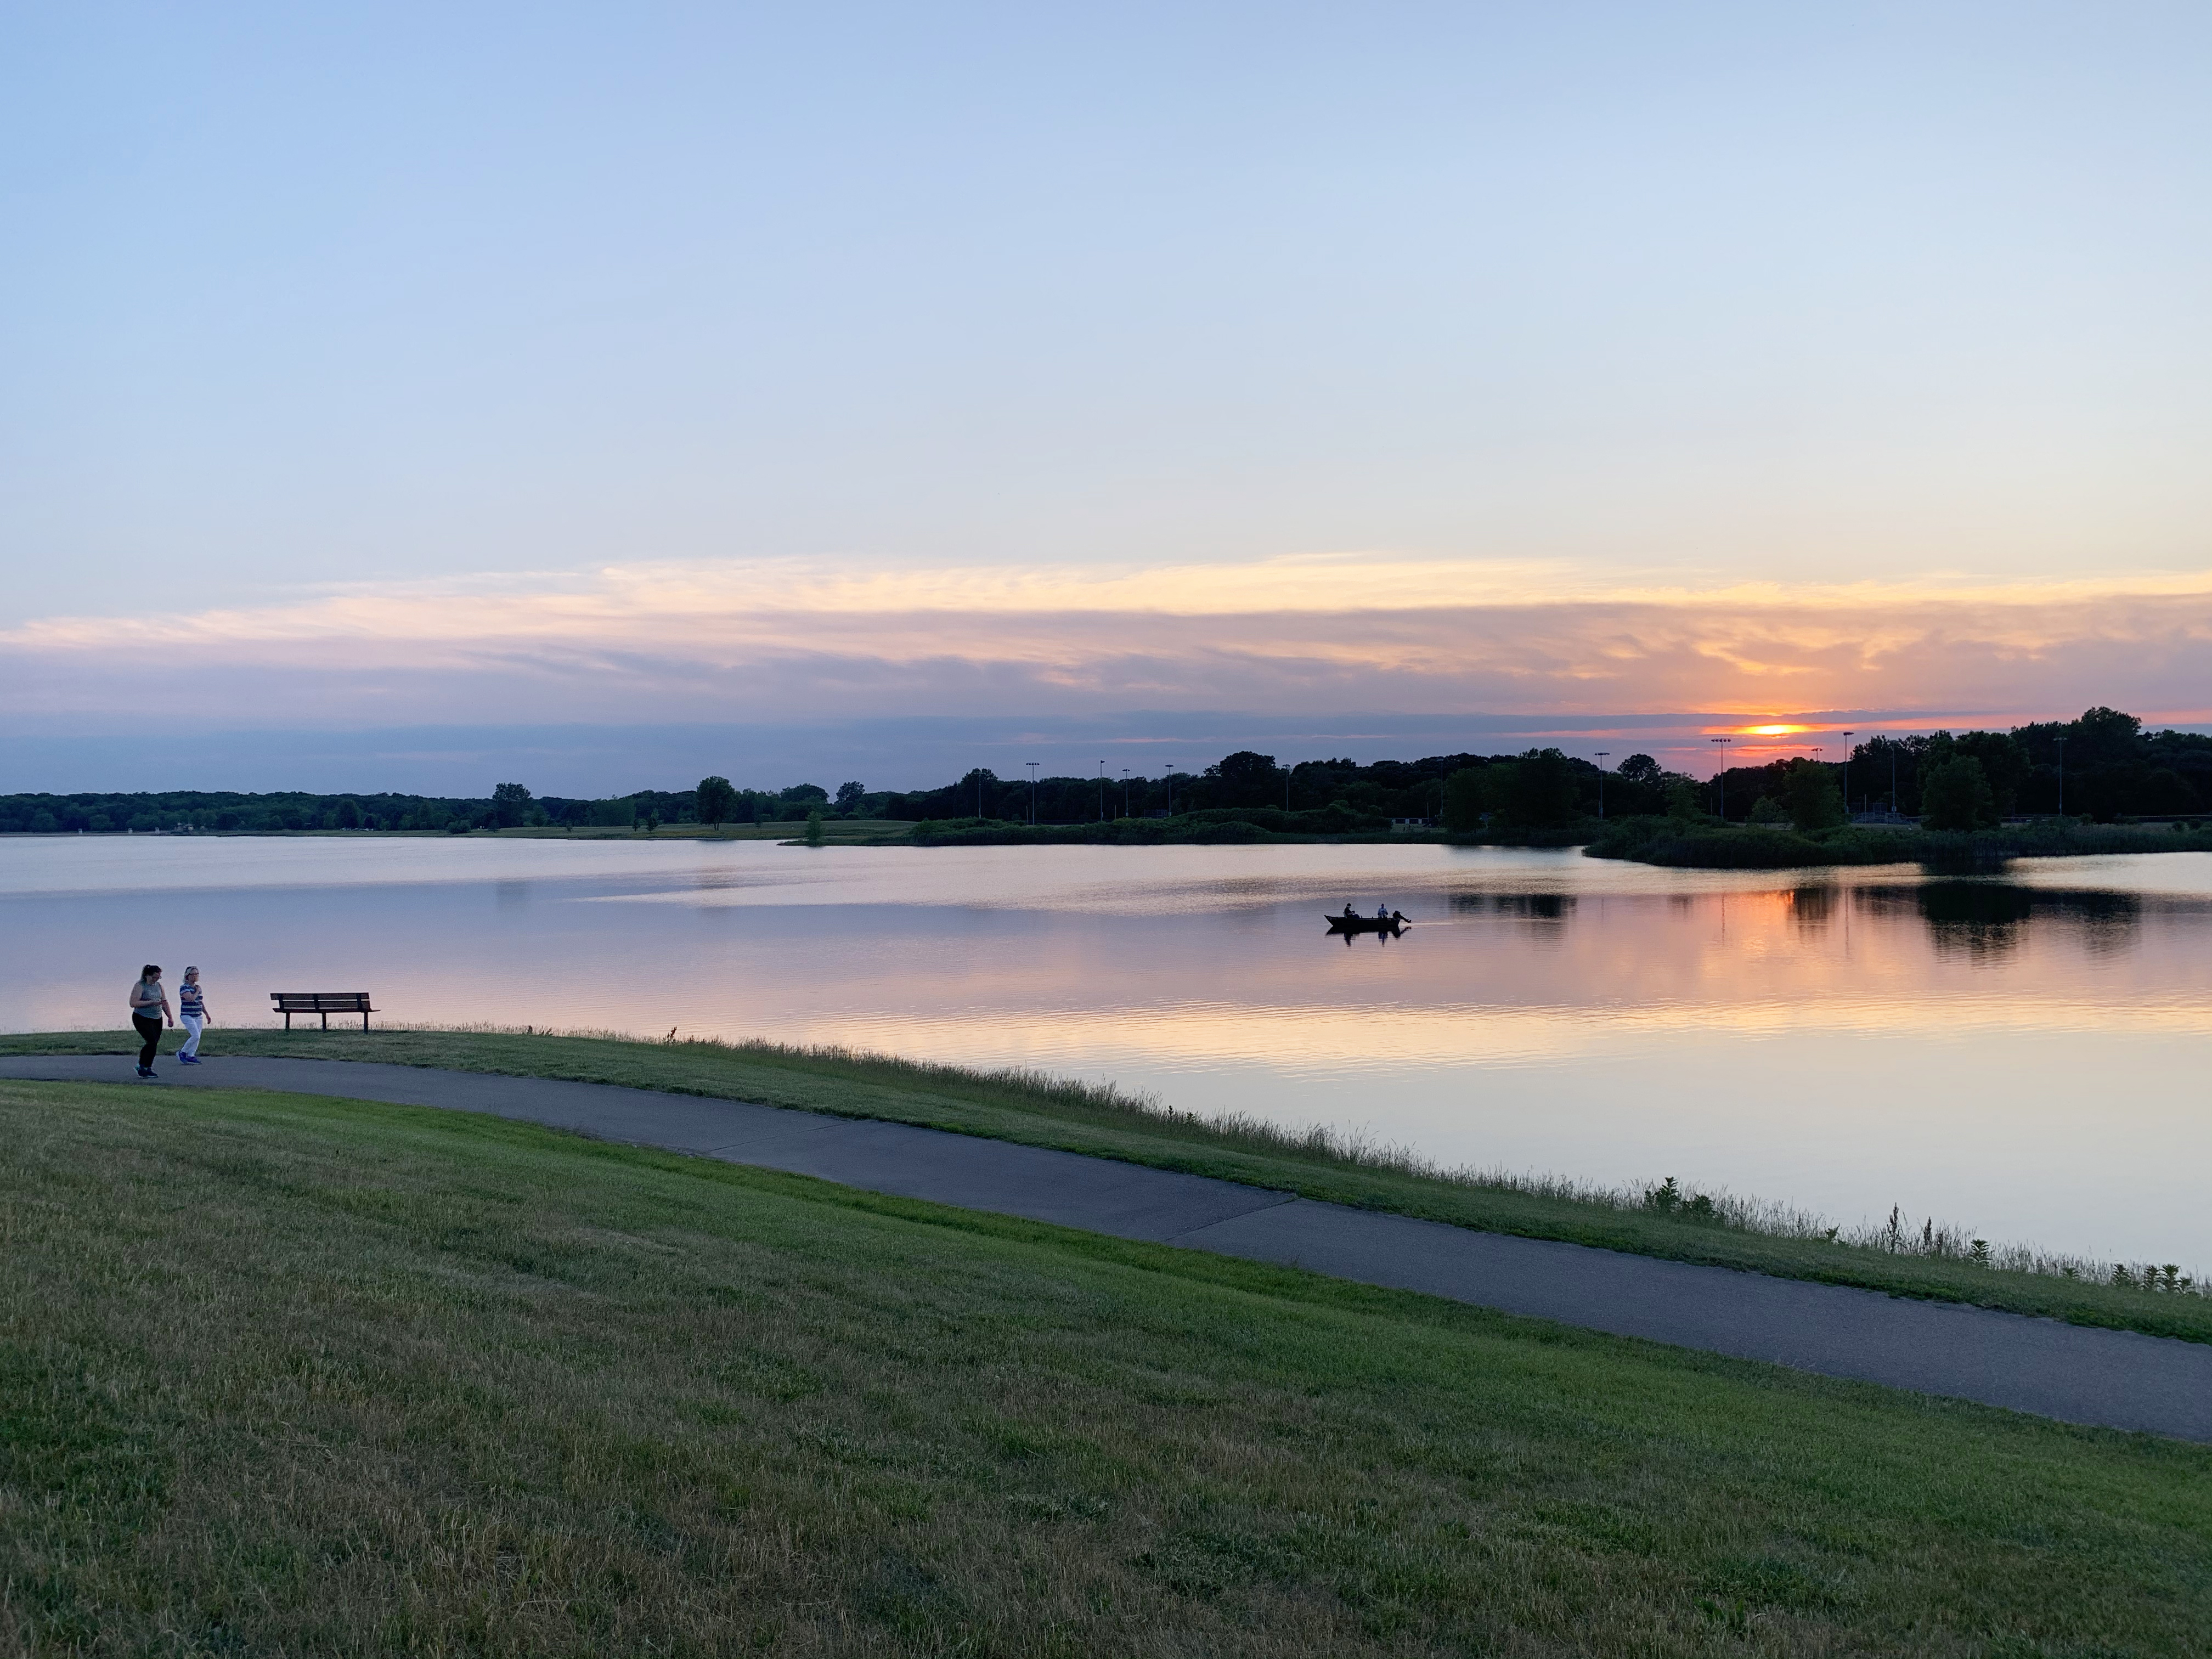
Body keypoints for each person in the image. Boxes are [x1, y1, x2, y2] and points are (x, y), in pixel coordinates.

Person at [129, 964, 171, 1079]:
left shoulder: (159, 986)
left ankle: (147, 1067)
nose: (156, 980)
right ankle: (143, 1067)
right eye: (154, 977)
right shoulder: (140, 986)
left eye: (158, 977)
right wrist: (151, 1002)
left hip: (157, 1017)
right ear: (147, 976)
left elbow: (164, 1002)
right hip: (141, 1018)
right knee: (151, 1041)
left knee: (154, 1043)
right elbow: (133, 1003)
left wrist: (170, 1017)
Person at [177, 966, 210, 1065]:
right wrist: (197, 991)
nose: (195, 976)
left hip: (198, 1015)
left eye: (197, 974)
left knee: (198, 1037)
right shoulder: (184, 988)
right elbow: (190, 999)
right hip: (187, 1015)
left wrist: (207, 1014)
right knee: (195, 1035)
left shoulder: (198, 987)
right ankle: (182, 1053)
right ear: (188, 976)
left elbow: (200, 1002)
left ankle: (191, 1055)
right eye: (193, 974)